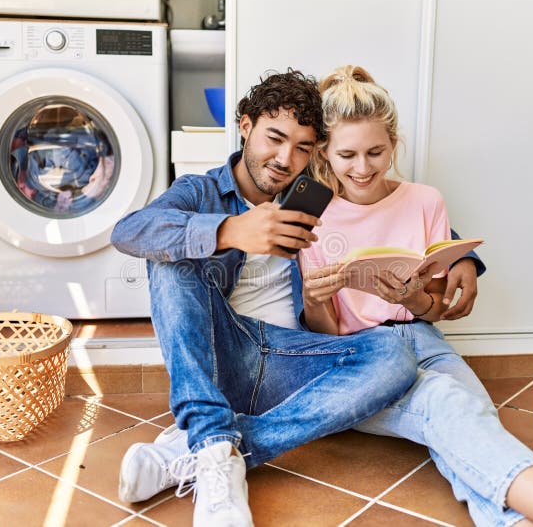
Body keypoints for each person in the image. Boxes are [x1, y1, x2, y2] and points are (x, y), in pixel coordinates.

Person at [298, 64, 533, 526]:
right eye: (348, 154)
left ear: (394, 144)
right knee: (453, 409)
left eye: (375, 151)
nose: (363, 167)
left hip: (424, 342)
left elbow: (435, 309)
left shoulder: (425, 200)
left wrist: (416, 300)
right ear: (325, 154)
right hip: (359, 357)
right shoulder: (313, 217)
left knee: (470, 423)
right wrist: (315, 300)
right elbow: (328, 332)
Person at [110, 70, 421, 527]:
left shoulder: (320, 195)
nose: (284, 158)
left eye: (302, 147)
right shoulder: (201, 192)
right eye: (274, 138)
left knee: (396, 355)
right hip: (222, 355)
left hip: (288, 363)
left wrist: (463, 262)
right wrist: (228, 231)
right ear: (245, 125)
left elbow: (394, 210)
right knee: (169, 256)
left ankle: (211, 448)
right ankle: (214, 447)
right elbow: (128, 231)